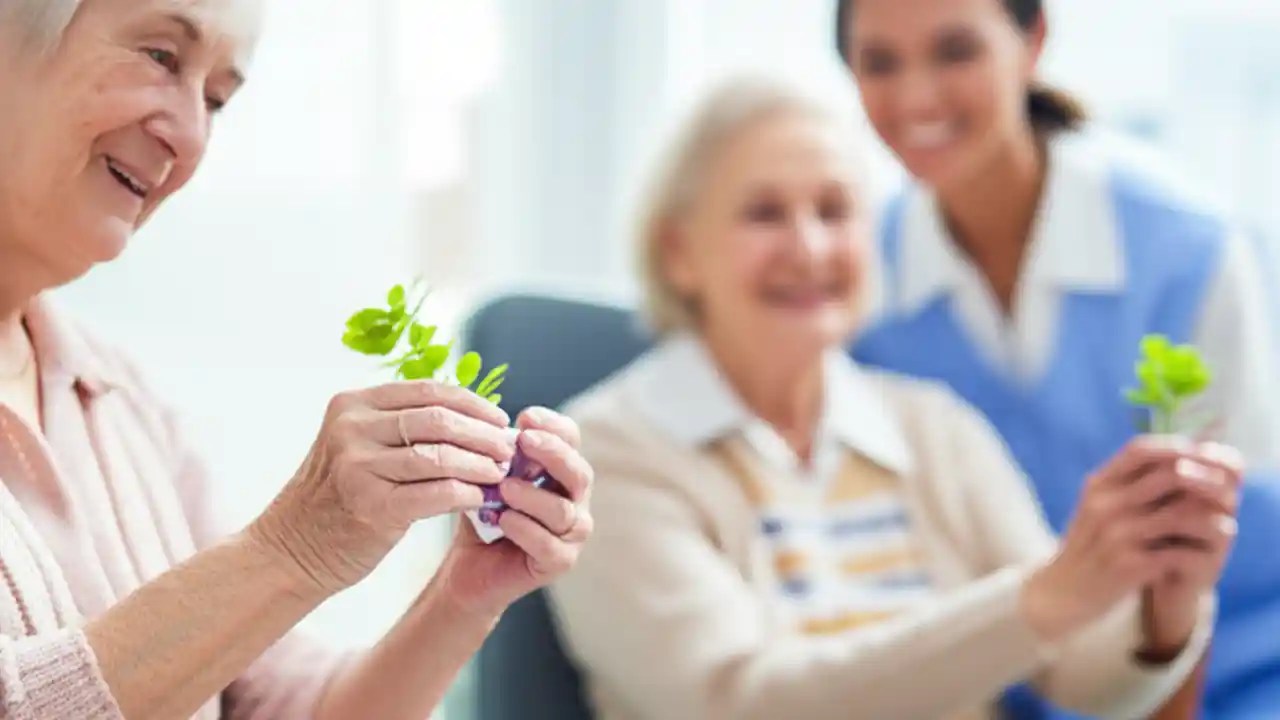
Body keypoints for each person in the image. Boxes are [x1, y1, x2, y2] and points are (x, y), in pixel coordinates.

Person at [549, 76, 1241, 720]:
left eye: (834, 210)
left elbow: (1079, 673)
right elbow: (738, 702)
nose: (810, 246)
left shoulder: (934, 427)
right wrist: (1044, 599)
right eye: (765, 214)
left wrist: (1164, 604)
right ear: (678, 253)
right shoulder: (604, 455)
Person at [0, 1, 594, 718]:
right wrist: (290, 551)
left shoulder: (120, 400)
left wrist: (461, 598)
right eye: (160, 56)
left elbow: (288, 705)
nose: (189, 138)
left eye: (216, 100)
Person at [836, 0, 1280, 715]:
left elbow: (1218, 544)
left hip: (1227, 673)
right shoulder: (862, 278)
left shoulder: (1186, 249)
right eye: (880, 62)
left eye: (955, 51)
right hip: (1026, 678)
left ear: (1033, 39)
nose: (916, 97)